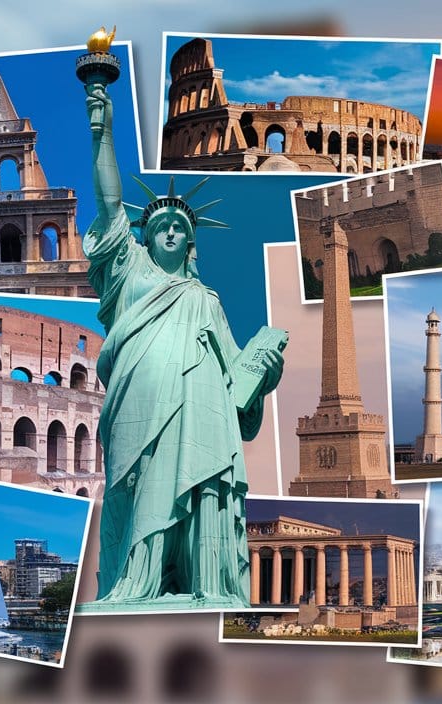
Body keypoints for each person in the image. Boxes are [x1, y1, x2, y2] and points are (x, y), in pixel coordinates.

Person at [82, 81, 284, 608]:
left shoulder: (206, 298)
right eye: (161, 225)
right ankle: (136, 582)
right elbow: (108, 204)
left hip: (201, 407)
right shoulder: (128, 273)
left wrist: (265, 367)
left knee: (202, 488)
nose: (170, 232)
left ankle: (205, 583)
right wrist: (101, 129)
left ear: (189, 243)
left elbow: (236, 367)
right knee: (138, 487)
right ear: (144, 237)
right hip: (138, 396)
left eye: (179, 227)